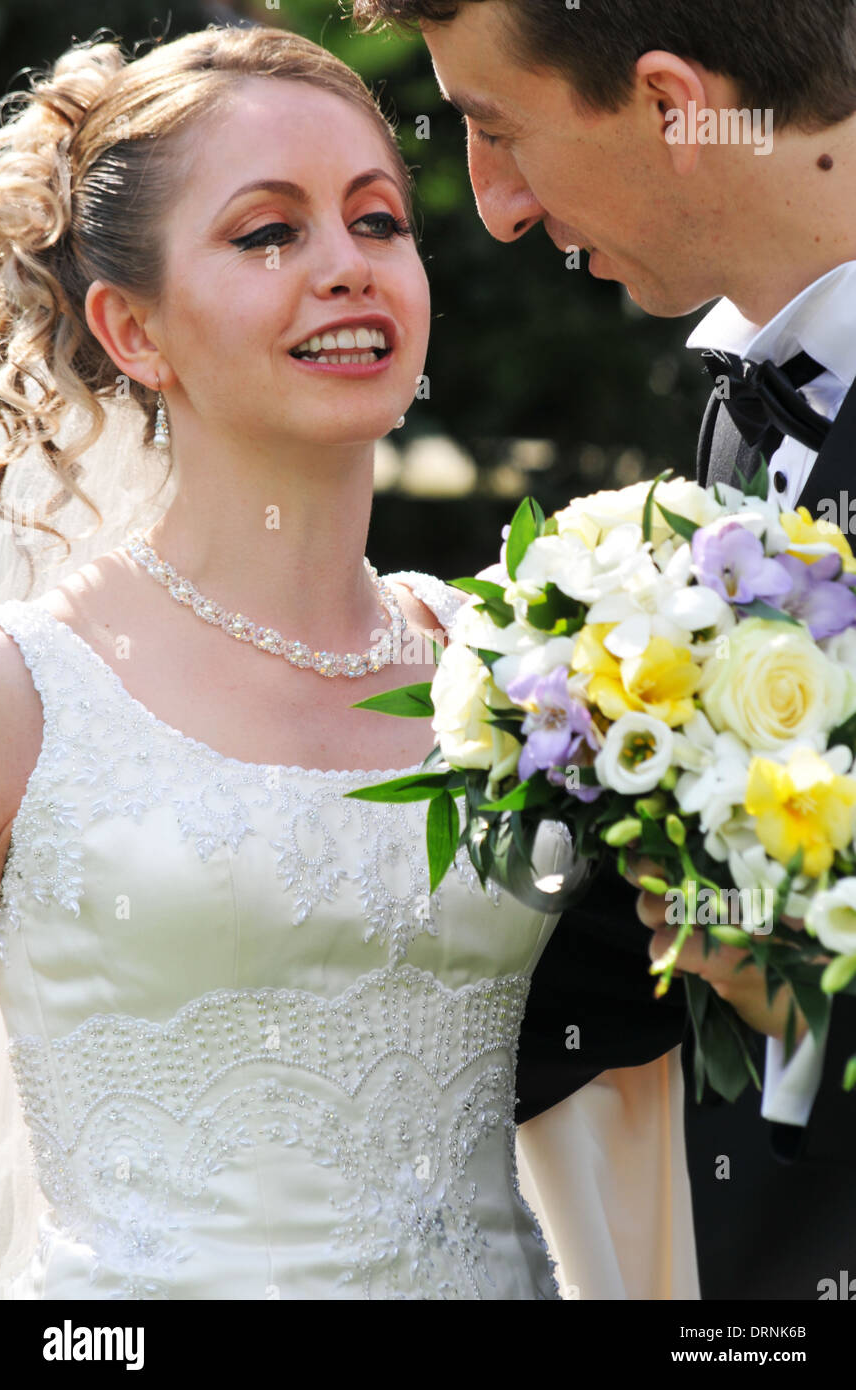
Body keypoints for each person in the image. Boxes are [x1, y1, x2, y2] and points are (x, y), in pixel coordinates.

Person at [0, 20, 610, 1300]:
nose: (344, 267)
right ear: (132, 330)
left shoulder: (510, 666)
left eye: (377, 220)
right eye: (268, 233)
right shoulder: (26, 695)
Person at [353, 0, 856, 1298]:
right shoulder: (748, 411)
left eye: (492, 129)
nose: (497, 208)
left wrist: (791, 984)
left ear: (675, 105)